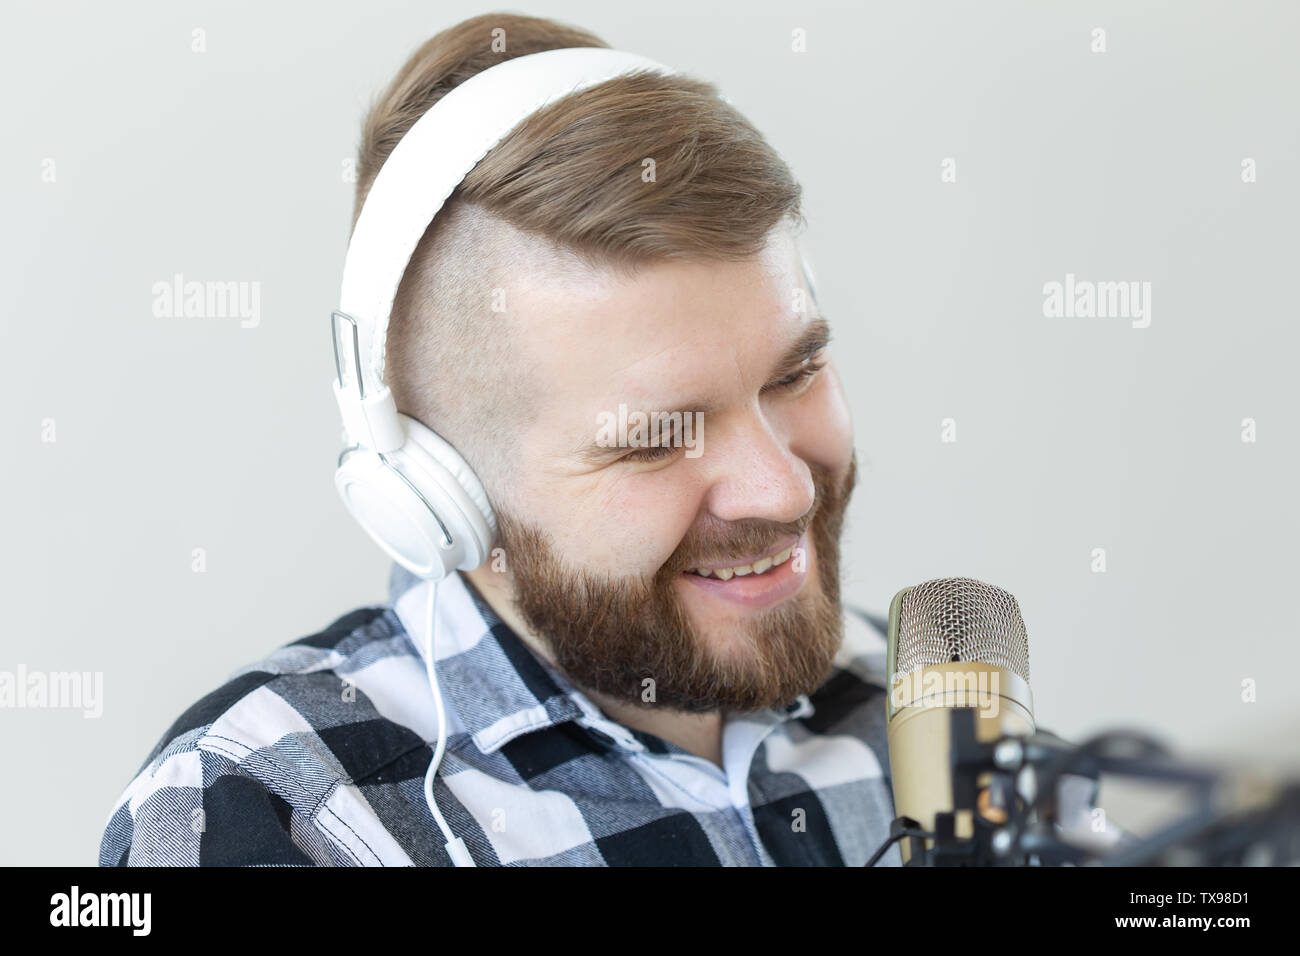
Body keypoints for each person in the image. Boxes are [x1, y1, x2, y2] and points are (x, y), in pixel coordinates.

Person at [99, 13, 1098, 867]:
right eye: (656, 438)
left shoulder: (938, 719)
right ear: (437, 487)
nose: (779, 488)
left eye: (794, 373)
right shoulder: (273, 803)